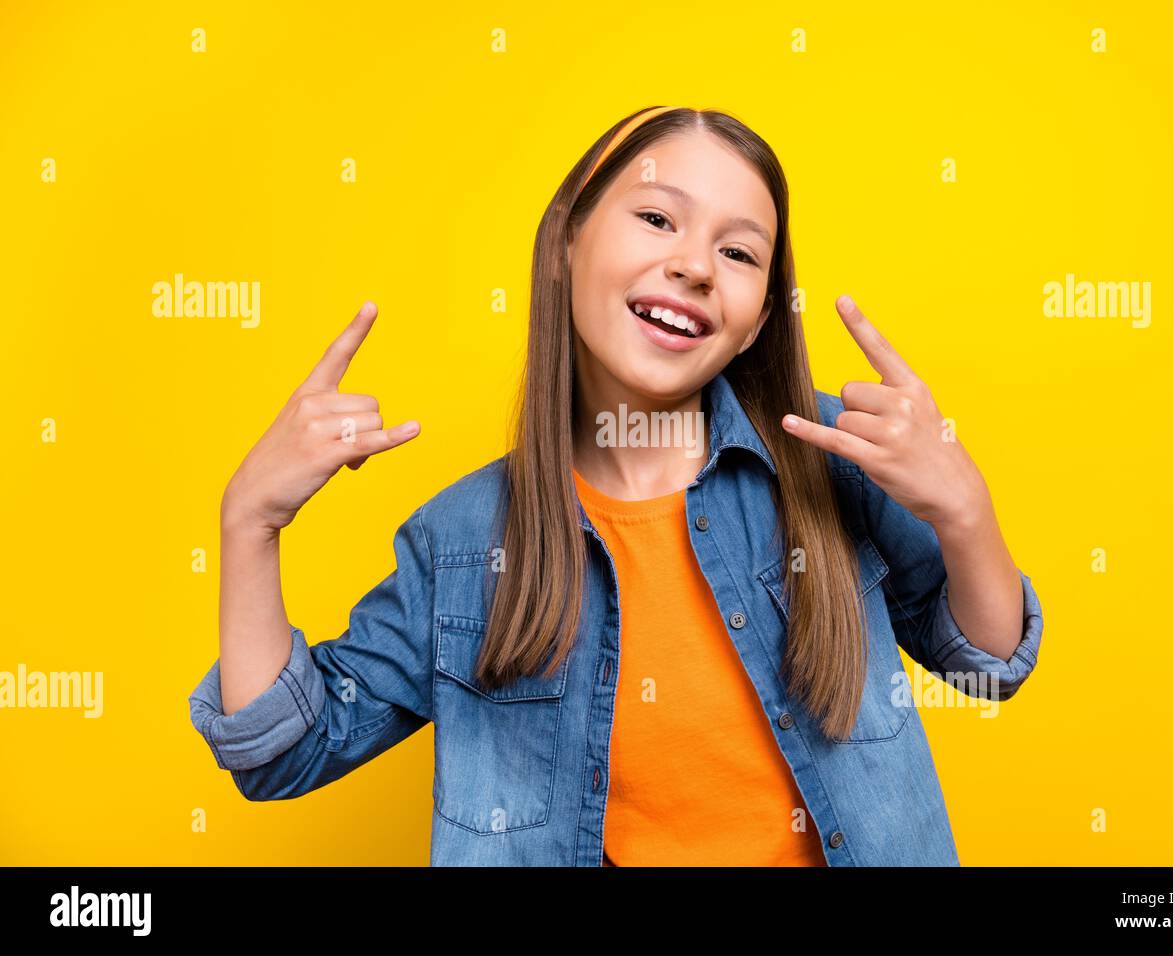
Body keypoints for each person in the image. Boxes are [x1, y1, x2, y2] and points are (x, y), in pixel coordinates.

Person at [188, 105, 1045, 866]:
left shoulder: (830, 459)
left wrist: (964, 511)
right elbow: (282, 756)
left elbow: (990, 669)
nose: (696, 265)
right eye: (656, 217)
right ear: (567, 242)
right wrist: (249, 523)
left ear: (753, 325)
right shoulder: (461, 543)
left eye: (739, 252)